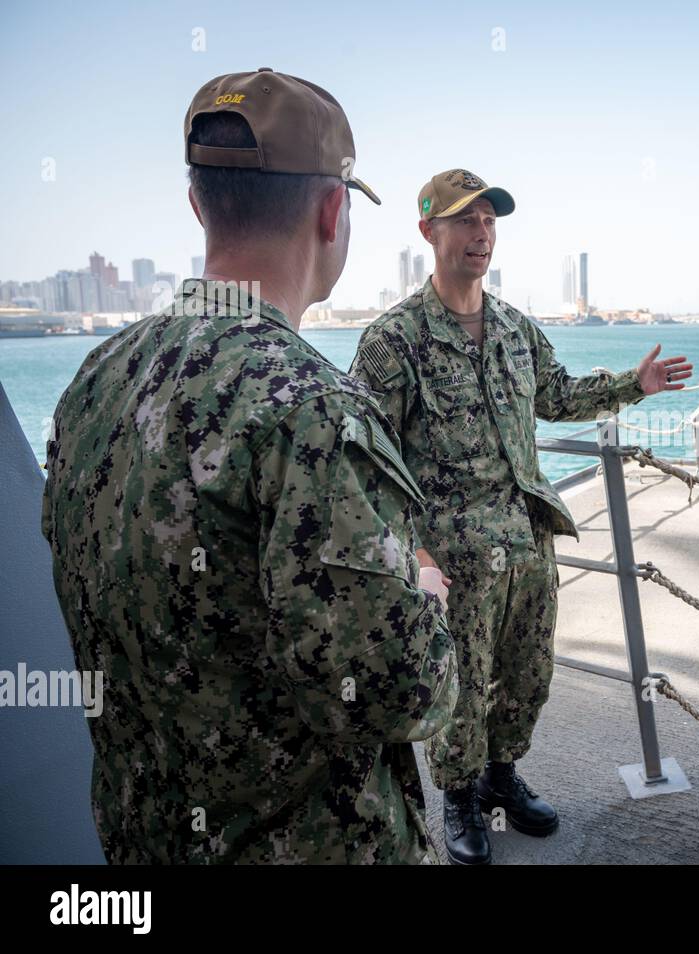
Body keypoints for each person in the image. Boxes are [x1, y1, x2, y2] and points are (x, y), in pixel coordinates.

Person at [41, 69, 458, 864]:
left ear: (198, 204)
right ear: (333, 211)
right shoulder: (313, 408)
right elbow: (400, 693)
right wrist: (427, 596)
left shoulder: (94, 379)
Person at [350, 168, 692, 864]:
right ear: (428, 231)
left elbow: (558, 395)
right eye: (464, 220)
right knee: (460, 687)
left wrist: (637, 383)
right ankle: (459, 797)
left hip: (525, 542)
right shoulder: (393, 342)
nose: (481, 234)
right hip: (451, 558)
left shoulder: (513, 328)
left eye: (489, 221)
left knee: (527, 676)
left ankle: (502, 780)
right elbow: (368, 465)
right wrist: (413, 557)